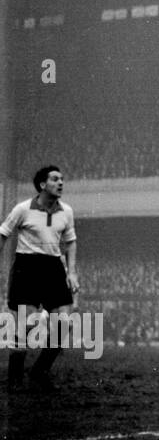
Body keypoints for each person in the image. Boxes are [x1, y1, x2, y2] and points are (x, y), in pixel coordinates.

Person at [2, 165, 79, 392]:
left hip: (53, 266)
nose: (61, 183)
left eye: (62, 179)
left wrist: (72, 271)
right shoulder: (22, 209)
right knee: (27, 324)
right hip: (27, 266)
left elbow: (71, 241)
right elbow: (3, 234)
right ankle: (14, 379)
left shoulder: (66, 211)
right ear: (43, 185)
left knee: (64, 324)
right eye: (55, 179)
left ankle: (39, 371)